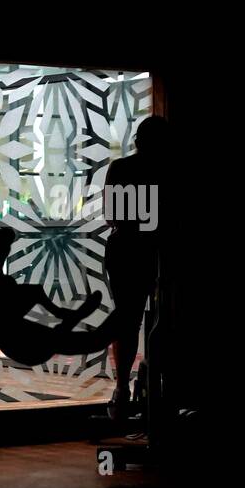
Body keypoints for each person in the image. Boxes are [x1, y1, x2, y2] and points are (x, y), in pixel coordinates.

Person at [103, 115, 170, 422]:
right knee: (160, 321)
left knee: (126, 320)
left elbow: (113, 216)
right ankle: (155, 390)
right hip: (158, 251)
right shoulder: (170, 172)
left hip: (126, 250)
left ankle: (121, 391)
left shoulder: (122, 168)